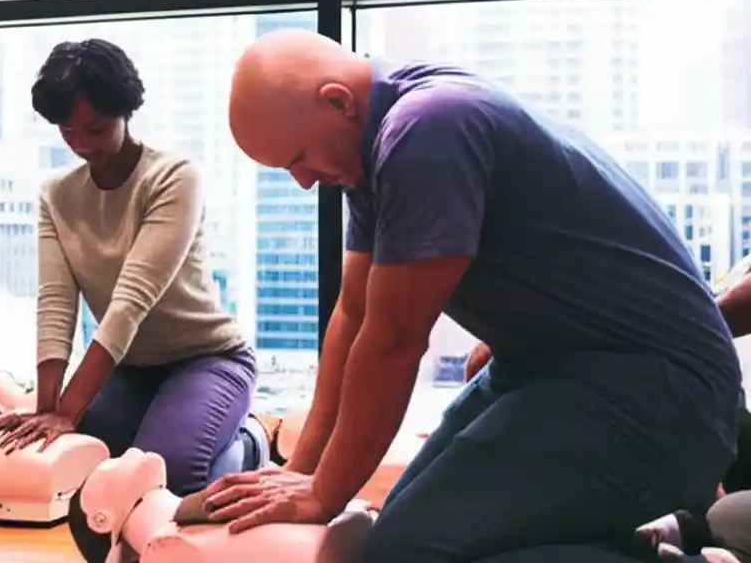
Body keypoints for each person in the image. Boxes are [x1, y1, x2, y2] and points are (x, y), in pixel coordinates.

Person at [198, 28, 742, 562]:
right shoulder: (372, 147)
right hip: (552, 371)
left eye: (298, 158)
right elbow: (354, 312)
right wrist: (303, 472)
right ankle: (647, 547)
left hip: (662, 398)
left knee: (408, 551)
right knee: (402, 530)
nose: (304, 182)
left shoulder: (428, 128)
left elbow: (394, 339)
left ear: (337, 101)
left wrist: (324, 494)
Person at [0, 39, 258, 497]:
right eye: (70, 132)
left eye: (96, 127)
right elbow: (55, 303)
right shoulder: (57, 194)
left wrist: (69, 411)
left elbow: (130, 302)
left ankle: (248, 445)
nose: (84, 144)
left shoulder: (174, 177)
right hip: (129, 368)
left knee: (161, 474)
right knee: (83, 465)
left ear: (125, 110)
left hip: (206, 358)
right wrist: (47, 409)